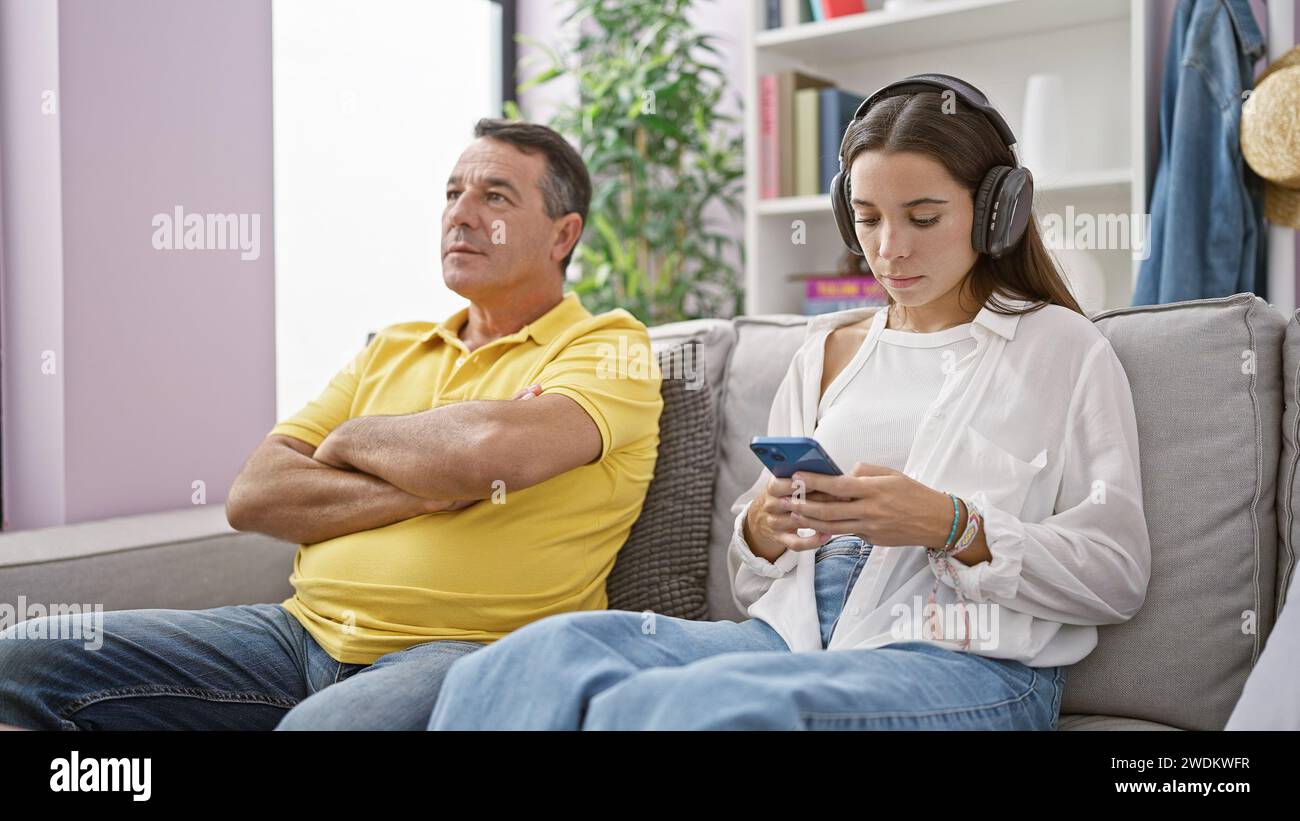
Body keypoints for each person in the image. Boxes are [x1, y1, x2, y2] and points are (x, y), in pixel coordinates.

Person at [428, 74, 1151, 731]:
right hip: (787, 642)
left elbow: (1116, 572)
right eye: (867, 218)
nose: (889, 248)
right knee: (543, 651)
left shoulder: (1060, 347)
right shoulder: (829, 348)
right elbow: (752, 578)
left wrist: (950, 523)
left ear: (997, 211)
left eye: (923, 217)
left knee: (683, 707)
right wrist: (767, 528)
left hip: (959, 659)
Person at [0, 119, 663, 730]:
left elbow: (489, 453)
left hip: (471, 650)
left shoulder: (608, 346)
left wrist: (352, 441)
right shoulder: (393, 347)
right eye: (452, 192)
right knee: (22, 653)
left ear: (563, 234)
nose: (459, 215)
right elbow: (256, 493)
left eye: (494, 197)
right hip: (295, 636)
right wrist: (425, 484)